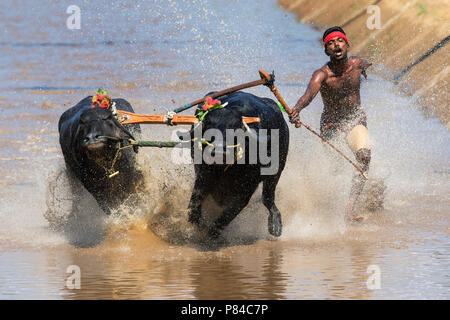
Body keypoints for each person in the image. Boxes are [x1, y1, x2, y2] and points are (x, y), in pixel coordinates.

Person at [289, 26, 372, 222]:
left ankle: (349, 208)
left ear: (347, 45)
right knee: (336, 167)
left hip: (355, 120)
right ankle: (325, 203)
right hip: (331, 125)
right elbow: (308, 95)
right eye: (331, 43)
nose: (336, 44)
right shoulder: (322, 75)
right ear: (326, 51)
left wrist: (367, 68)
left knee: (364, 156)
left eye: (339, 41)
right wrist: (297, 110)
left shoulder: (357, 64)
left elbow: (366, 63)